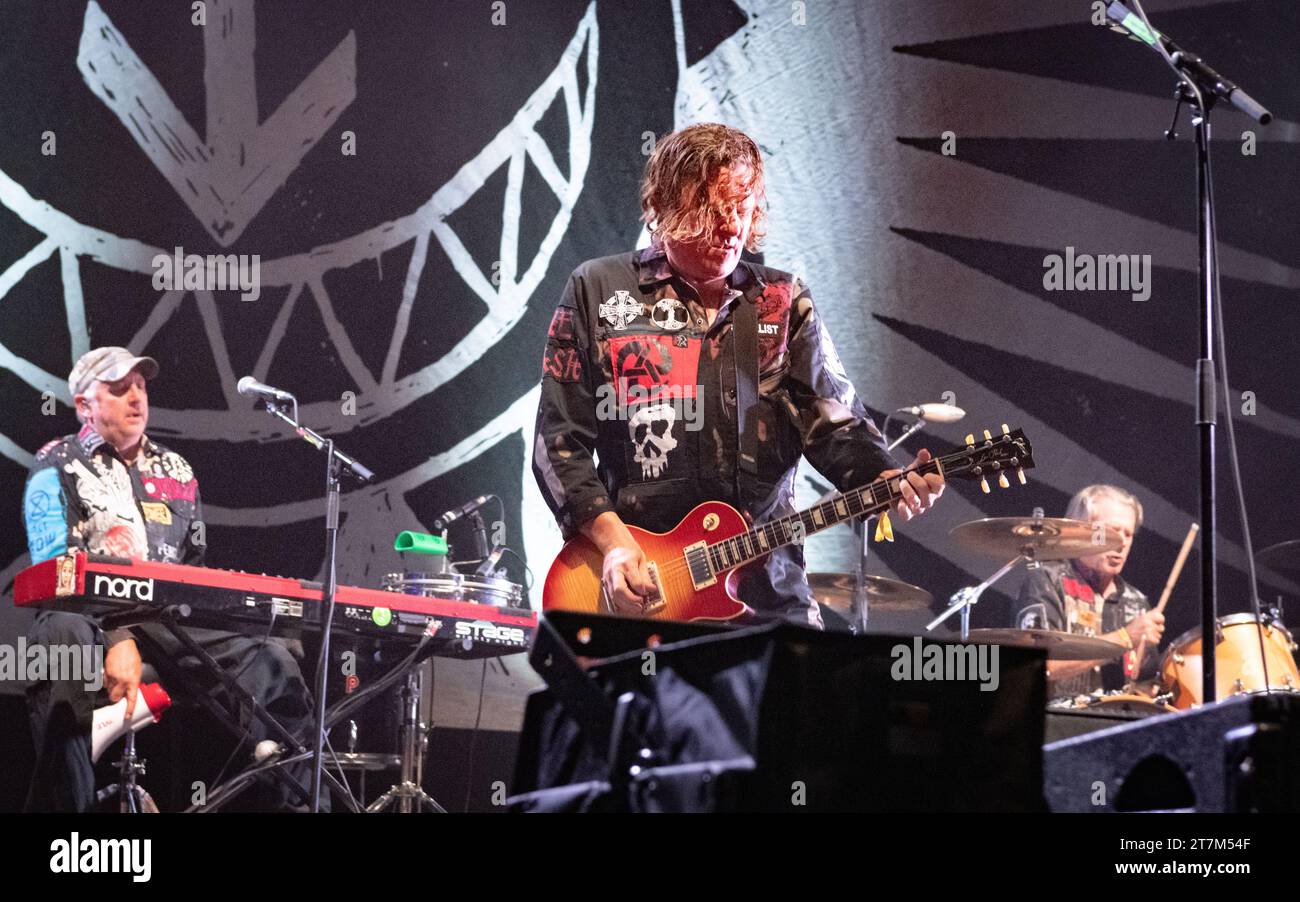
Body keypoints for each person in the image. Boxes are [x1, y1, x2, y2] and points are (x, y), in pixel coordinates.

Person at [532, 123, 944, 627]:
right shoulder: (598, 289)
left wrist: (885, 476)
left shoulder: (782, 301)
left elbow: (834, 423)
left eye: (742, 211)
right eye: (713, 211)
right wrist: (614, 545)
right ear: (665, 206)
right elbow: (559, 445)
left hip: (768, 592)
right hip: (644, 594)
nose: (732, 229)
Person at [22, 346, 321, 811]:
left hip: (164, 621)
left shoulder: (178, 471)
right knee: (64, 640)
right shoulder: (54, 463)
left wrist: (249, 622)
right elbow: (56, 573)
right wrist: (117, 632)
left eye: (140, 387)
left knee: (270, 657)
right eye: (119, 389)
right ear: (84, 405)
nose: (136, 399)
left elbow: (191, 568)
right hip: (83, 618)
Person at [1011, 484, 1164, 699]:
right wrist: (1124, 638)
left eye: (1128, 534)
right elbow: (1039, 664)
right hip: (1056, 723)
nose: (1121, 543)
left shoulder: (1136, 602)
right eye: (1111, 530)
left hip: (1114, 724)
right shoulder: (1047, 580)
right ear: (1081, 530)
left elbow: (1146, 688)